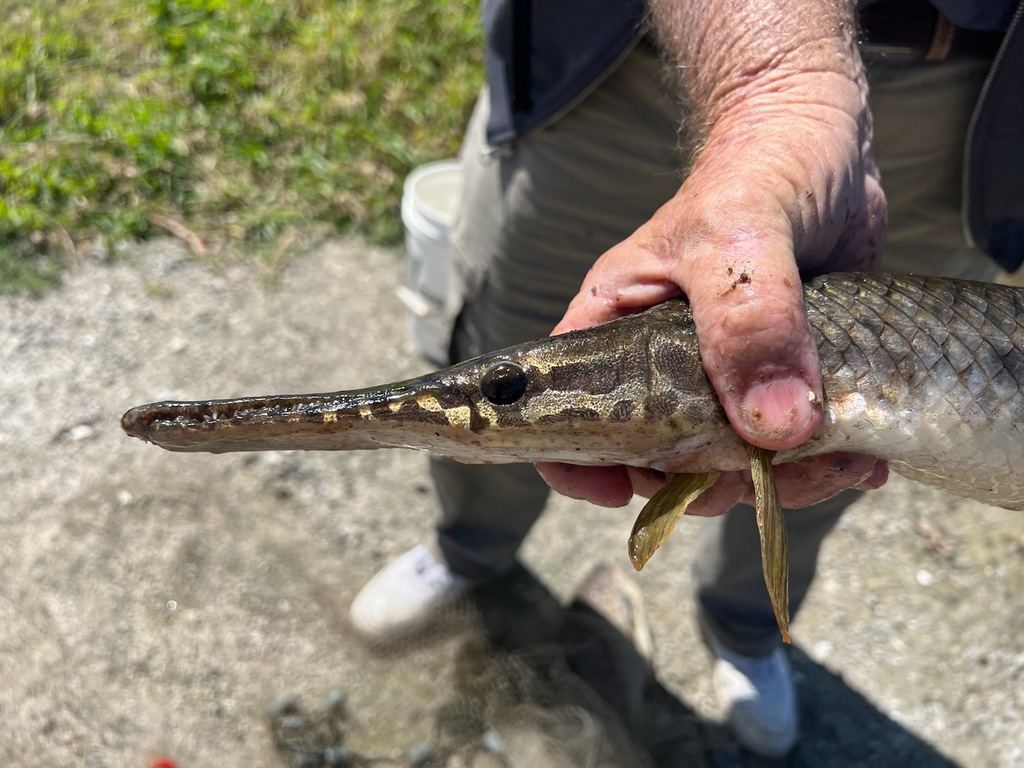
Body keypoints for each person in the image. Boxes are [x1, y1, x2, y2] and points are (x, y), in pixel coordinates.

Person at [351, 0, 1023, 757]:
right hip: (632, 51)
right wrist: (775, 88)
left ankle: (744, 627)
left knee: (836, 457)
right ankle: (467, 550)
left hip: (988, 116)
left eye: (510, 387)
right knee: (514, 324)